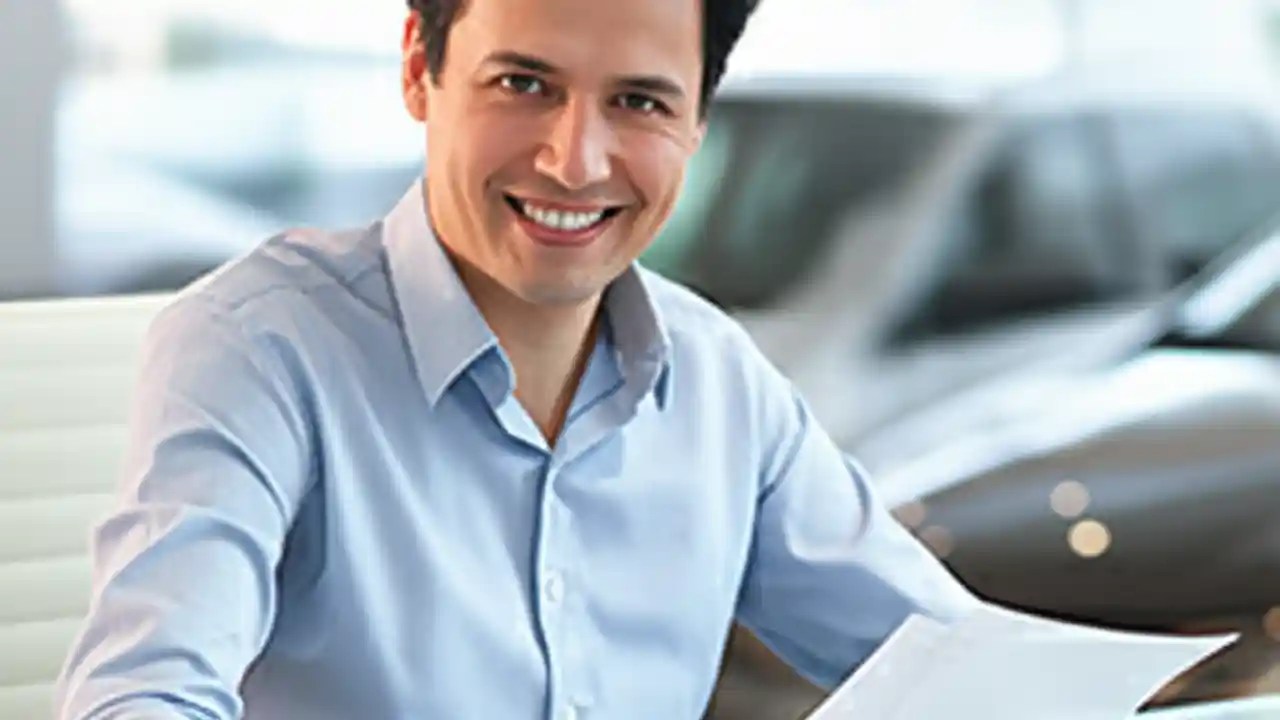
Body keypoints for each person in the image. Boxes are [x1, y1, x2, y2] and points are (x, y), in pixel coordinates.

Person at [55, 0, 980, 717]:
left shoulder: (721, 387)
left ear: (697, 121)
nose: (574, 161)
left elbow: (963, 667)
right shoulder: (261, 350)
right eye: (524, 84)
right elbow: (148, 692)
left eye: (639, 101)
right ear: (420, 67)